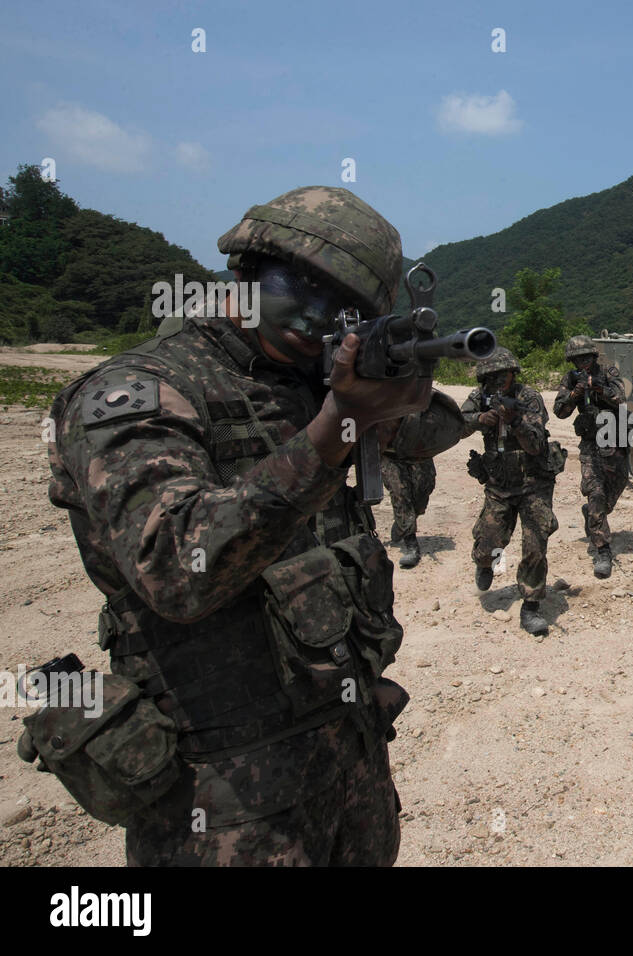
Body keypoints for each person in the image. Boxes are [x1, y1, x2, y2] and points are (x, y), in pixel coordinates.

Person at [43, 186, 430, 865]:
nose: (314, 316)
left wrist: (394, 389)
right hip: (222, 794)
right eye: (296, 287)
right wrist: (338, 425)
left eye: (342, 309)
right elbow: (175, 567)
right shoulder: (139, 391)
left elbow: (428, 433)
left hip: (345, 754)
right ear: (246, 270)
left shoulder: (306, 380)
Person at [461, 347, 564, 635]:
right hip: (499, 485)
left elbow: (535, 445)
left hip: (535, 484)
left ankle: (531, 605)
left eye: (503, 376)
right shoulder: (478, 398)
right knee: (489, 543)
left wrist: (515, 421)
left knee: (535, 547)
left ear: (512, 374)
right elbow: (457, 424)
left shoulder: (528, 398)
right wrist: (480, 420)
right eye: (491, 378)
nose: (498, 382)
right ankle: (483, 563)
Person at [552, 335, 627, 579]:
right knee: (595, 492)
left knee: (614, 489)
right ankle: (602, 550)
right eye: (577, 359)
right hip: (590, 444)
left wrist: (599, 388)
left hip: (614, 441)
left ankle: (595, 514)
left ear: (594, 357)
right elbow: (560, 411)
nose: (582, 363)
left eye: (586, 358)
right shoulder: (571, 378)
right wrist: (576, 393)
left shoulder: (608, 371)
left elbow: (620, 398)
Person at [381, 386, 464, 569]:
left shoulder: (418, 388)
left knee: (424, 486)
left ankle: (405, 519)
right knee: (400, 491)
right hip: (388, 451)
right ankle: (411, 544)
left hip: (416, 446)